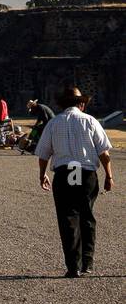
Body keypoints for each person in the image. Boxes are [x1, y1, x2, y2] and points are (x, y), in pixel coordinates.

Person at [36, 87, 113, 278]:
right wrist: (109, 176)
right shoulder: (90, 121)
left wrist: (42, 174)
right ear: (81, 103)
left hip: (65, 171)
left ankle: (73, 266)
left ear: (63, 104)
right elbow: (104, 152)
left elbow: (43, 153)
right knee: (86, 215)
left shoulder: (54, 123)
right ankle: (87, 261)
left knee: (68, 217)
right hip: (85, 172)